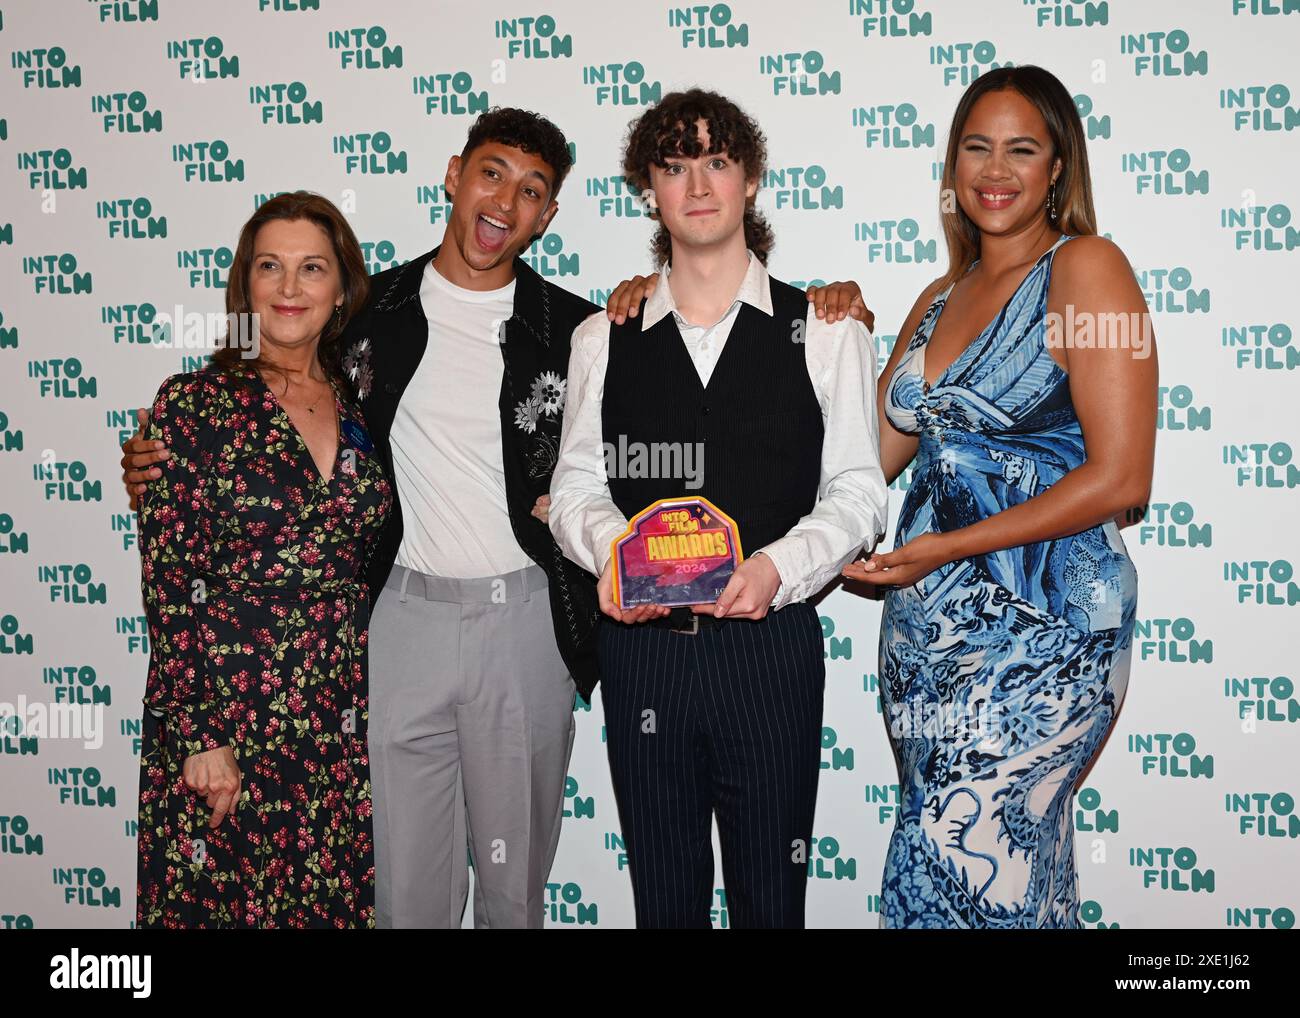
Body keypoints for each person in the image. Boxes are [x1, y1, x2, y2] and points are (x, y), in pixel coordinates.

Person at [122, 107, 869, 929]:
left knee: (522, 897)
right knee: (408, 893)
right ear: (454, 176)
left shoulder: (580, 325)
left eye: (531, 190)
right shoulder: (369, 316)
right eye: (490, 174)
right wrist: (165, 457)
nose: (505, 201)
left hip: (531, 621)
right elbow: (274, 393)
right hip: (400, 621)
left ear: (548, 216)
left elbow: (614, 464)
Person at [549, 88, 889, 928]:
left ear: (749, 178)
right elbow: (575, 489)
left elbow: (858, 492)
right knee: (663, 904)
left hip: (769, 656)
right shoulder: (603, 337)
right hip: (643, 660)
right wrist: (612, 553)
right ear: (650, 189)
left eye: (716, 161)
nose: (696, 185)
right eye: (673, 166)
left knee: (773, 906)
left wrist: (779, 567)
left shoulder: (828, 330)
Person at [846, 65, 1157, 928]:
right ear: (951, 169)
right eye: (976, 147)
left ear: (1058, 167)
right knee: (984, 859)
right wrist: (810, 324)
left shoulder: (1088, 270)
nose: (995, 169)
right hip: (927, 629)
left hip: (1048, 622)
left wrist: (948, 547)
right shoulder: (934, 298)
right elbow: (863, 463)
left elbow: (1123, 478)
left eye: (1022, 149)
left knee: (972, 851)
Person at [135, 191, 390, 928]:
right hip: (228, 714)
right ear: (245, 284)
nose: (288, 288)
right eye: (270, 267)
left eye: (312, 268)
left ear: (341, 289)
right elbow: (169, 577)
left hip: (333, 721)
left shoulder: (360, 403)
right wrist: (198, 734)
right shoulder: (195, 404)